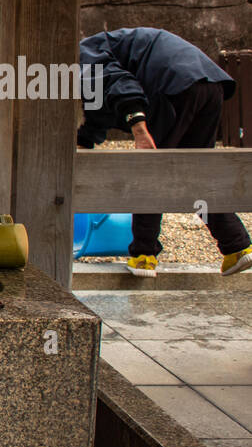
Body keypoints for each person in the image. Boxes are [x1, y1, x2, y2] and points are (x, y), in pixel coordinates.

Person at [78, 27, 251, 277]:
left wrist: (138, 128)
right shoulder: (106, 48)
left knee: (151, 173)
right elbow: (100, 107)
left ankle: (143, 256)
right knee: (196, 175)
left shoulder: (81, 54)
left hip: (172, 85)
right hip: (210, 85)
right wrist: (85, 140)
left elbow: (116, 82)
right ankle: (237, 247)